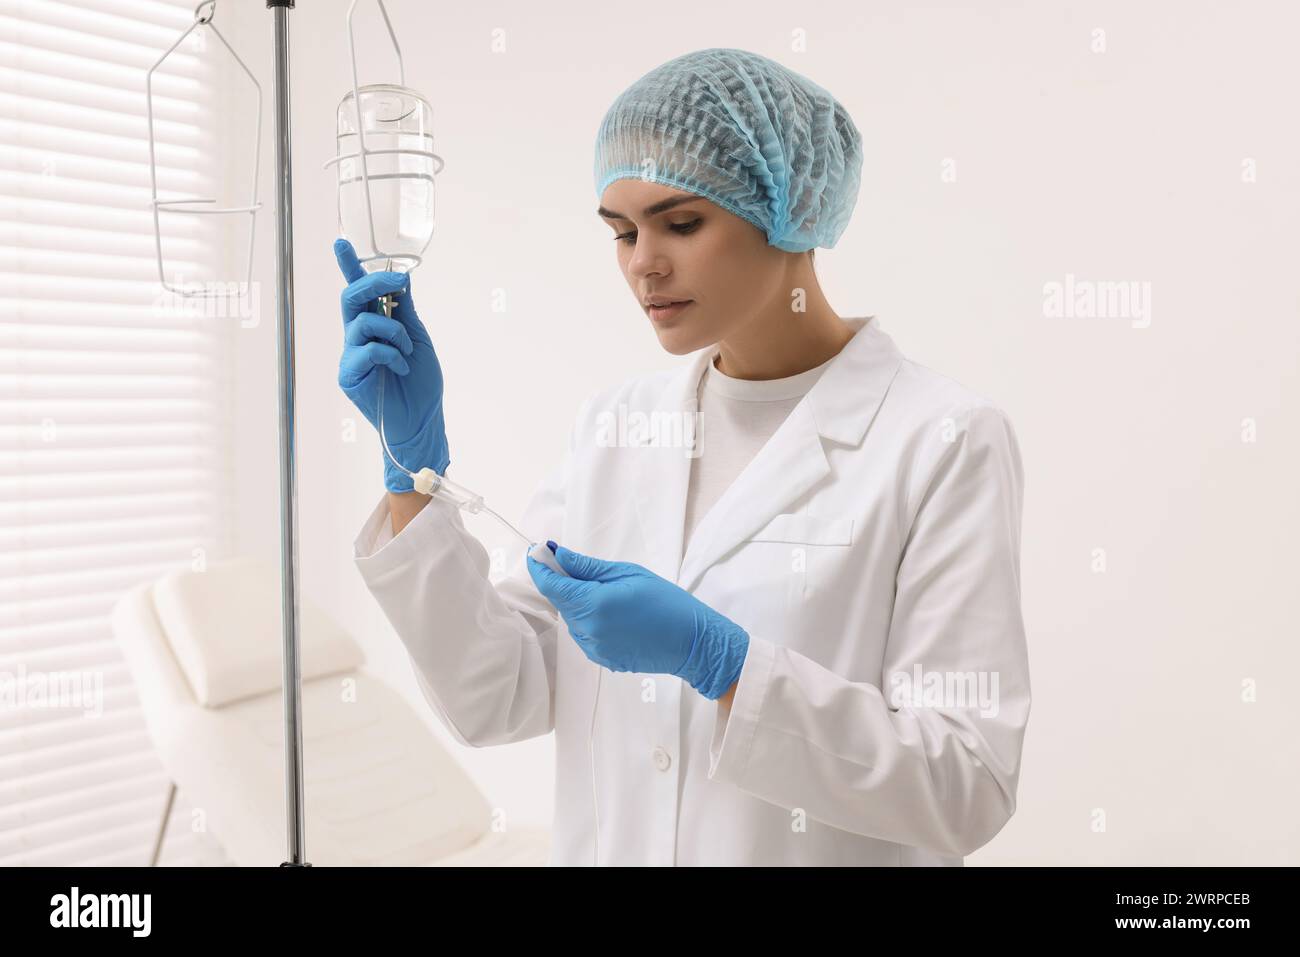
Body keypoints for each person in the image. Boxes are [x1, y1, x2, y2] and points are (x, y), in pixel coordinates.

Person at [339, 48, 1030, 866]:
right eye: (623, 231)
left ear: (789, 208)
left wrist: (728, 664)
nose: (643, 263)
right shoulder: (616, 426)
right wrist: (410, 475)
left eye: (681, 222)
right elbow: (501, 693)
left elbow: (967, 782)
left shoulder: (941, 440)